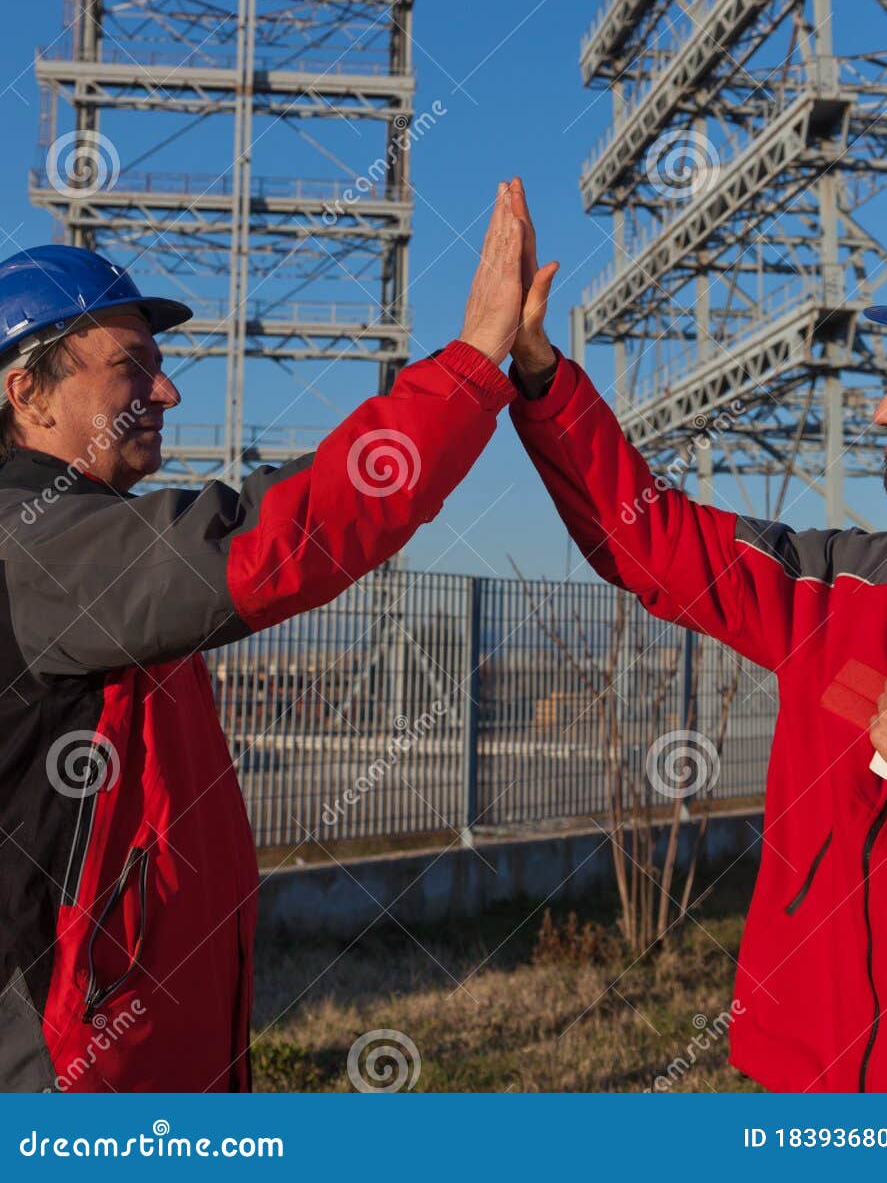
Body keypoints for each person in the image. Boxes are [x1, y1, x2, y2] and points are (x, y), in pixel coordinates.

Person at [506, 181, 887, 1093]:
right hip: (805, 1084)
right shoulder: (847, 587)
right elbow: (648, 540)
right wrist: (538, 373)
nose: (880, 410)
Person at [0, 183, 526, 1092]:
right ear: (28, 395)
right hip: (75, 1070)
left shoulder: (70, 534)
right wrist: (472, 365)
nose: (165, 388)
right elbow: (283, 536)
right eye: (130, 366)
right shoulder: (39, 544)